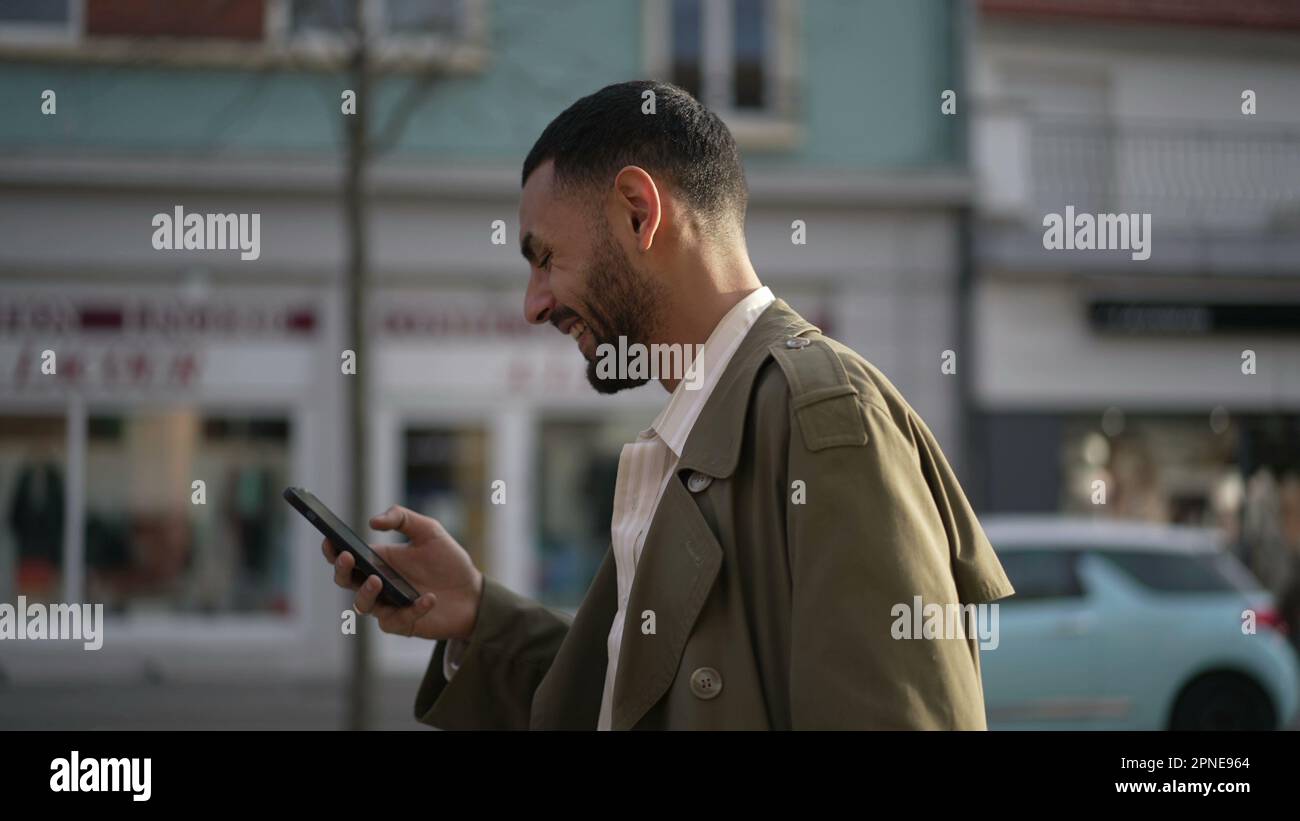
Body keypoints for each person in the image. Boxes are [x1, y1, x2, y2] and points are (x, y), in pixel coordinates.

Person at [322, 81, 1014, 729]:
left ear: (638, 212)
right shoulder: (698, 429)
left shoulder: (825, 418)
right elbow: (629, 695)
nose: (533, 304)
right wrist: (477, 614)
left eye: (545, 258)